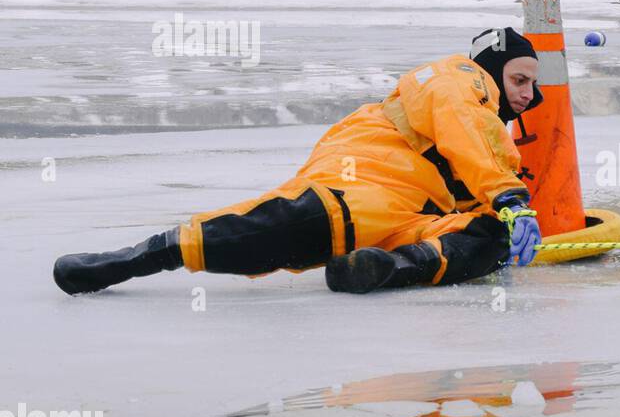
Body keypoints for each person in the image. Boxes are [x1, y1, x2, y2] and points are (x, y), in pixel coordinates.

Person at [53, 28, 544, 295]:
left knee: (491, 238)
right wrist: (510, 198)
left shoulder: (493, 135)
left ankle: (389, 268)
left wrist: (503, 218)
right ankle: (134, 259)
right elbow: (461, 124)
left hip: (408, 219)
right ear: (492, 69)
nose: (527, 93)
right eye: (519, 79)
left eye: (533, 84)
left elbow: (476, 171)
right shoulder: (459, 77)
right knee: (266, 233)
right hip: (362, 181)